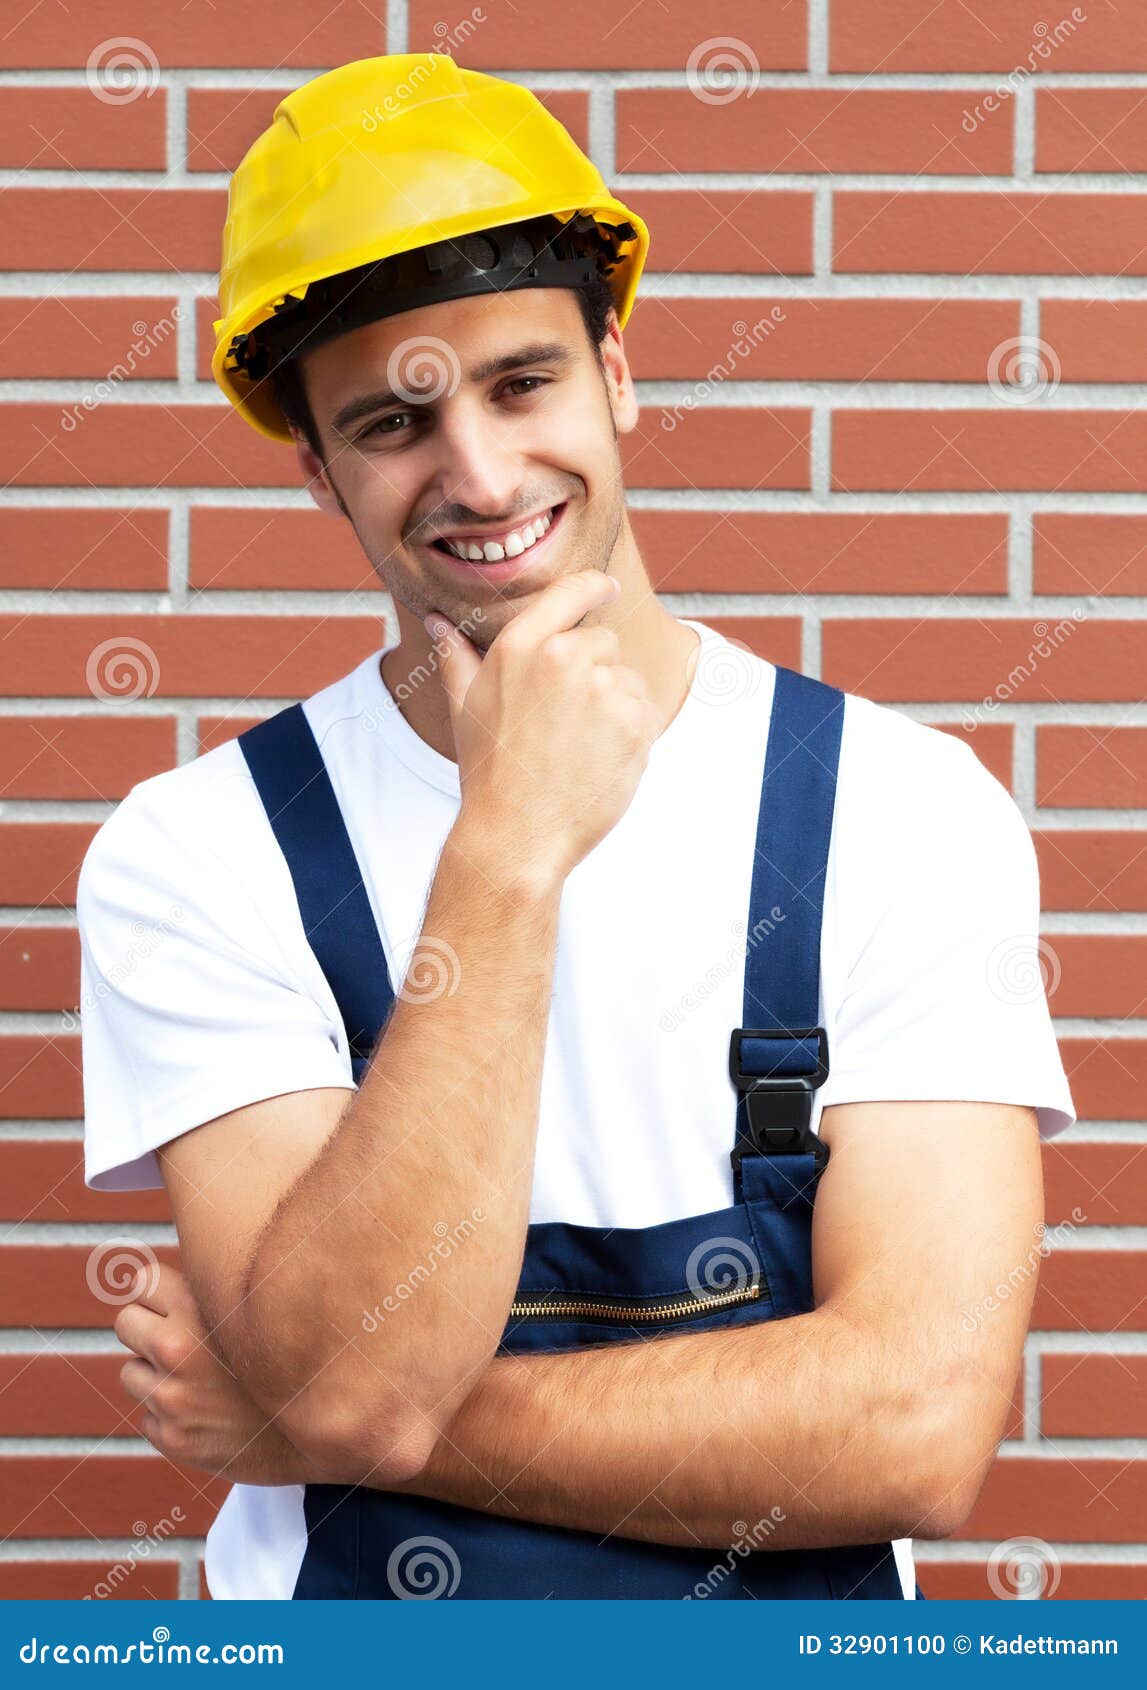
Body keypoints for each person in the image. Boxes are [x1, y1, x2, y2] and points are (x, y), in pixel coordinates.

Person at [77, 52, 1076, 1601]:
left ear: (617, 367)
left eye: (520, 380)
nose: (477, 472)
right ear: (319, 470)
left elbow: (916, 1426)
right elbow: (353, 1382)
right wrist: (510, 848)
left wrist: (322, 1415)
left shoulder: (900, 809)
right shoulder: (200, 851)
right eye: (391, 424)